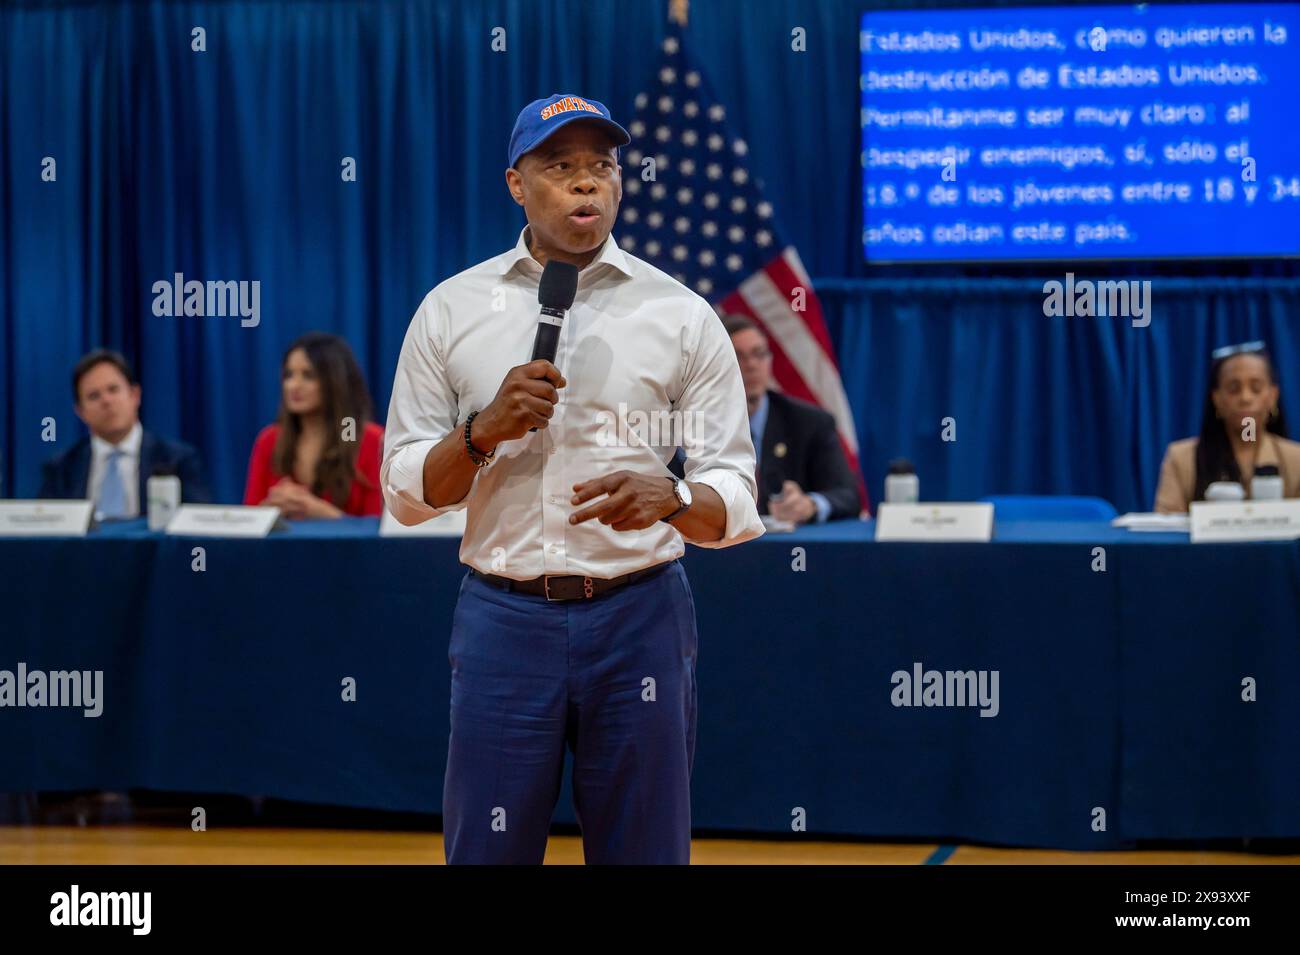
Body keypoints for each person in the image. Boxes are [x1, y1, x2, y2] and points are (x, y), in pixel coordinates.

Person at [382, 93, 763, 865]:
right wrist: (481, 431)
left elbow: (738, 495)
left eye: (603, 165)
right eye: (561, 167)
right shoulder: (450, 309)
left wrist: (678, 495)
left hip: (641, 618)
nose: (588, 183)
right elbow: (405, 491)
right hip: (503, 619)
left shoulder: (683, 315)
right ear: (516, 184)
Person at [697, 313, 860, 523]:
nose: (751, 365)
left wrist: (809, 504)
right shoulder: (694, 423)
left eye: (759, 354)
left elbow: (848, 496)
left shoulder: (809, 422)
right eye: (738, 356)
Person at [39, 349, 211, 517]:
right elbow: (46, 532)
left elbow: (197, 527)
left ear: (135, 395)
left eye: (113, 390)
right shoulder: (61, 468)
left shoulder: (177, 460)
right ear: (80, 411)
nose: (106, 401)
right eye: (93, 396)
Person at [244, 332, 383, 518]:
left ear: (336, 382)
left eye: (308, 375)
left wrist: (320, 512)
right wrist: (272, 508)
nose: (294, 385)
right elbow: (249, 520)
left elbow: (379, 531)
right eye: (288, 375)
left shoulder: (371, 440)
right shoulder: (269, 440)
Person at [1154, 341, 1300, 512]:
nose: (1245, 398)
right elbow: (1164, 531)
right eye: (1233, 389)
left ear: (1273, 396)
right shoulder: (1181, 458)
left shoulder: (1295, 459)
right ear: (1217, 399)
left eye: (1256, 388)